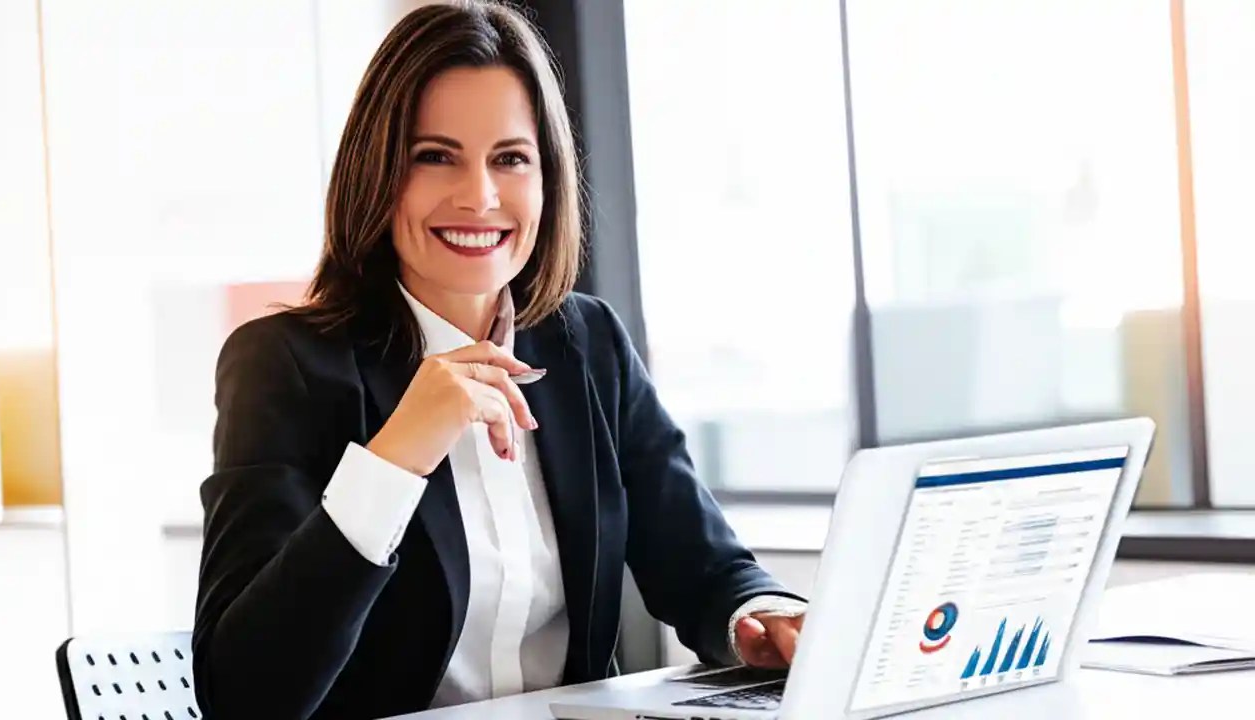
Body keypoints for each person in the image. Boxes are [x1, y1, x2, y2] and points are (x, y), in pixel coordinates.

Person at [192, 2, 806, 718]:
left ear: (546, 176)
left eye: (510, 158)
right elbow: (245, 696)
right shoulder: (285, 365)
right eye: (435, 156)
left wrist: (763, 618)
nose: (479, 197)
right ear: (379, 174)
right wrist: (397, 456)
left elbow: (702, 565)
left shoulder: (587, 343)